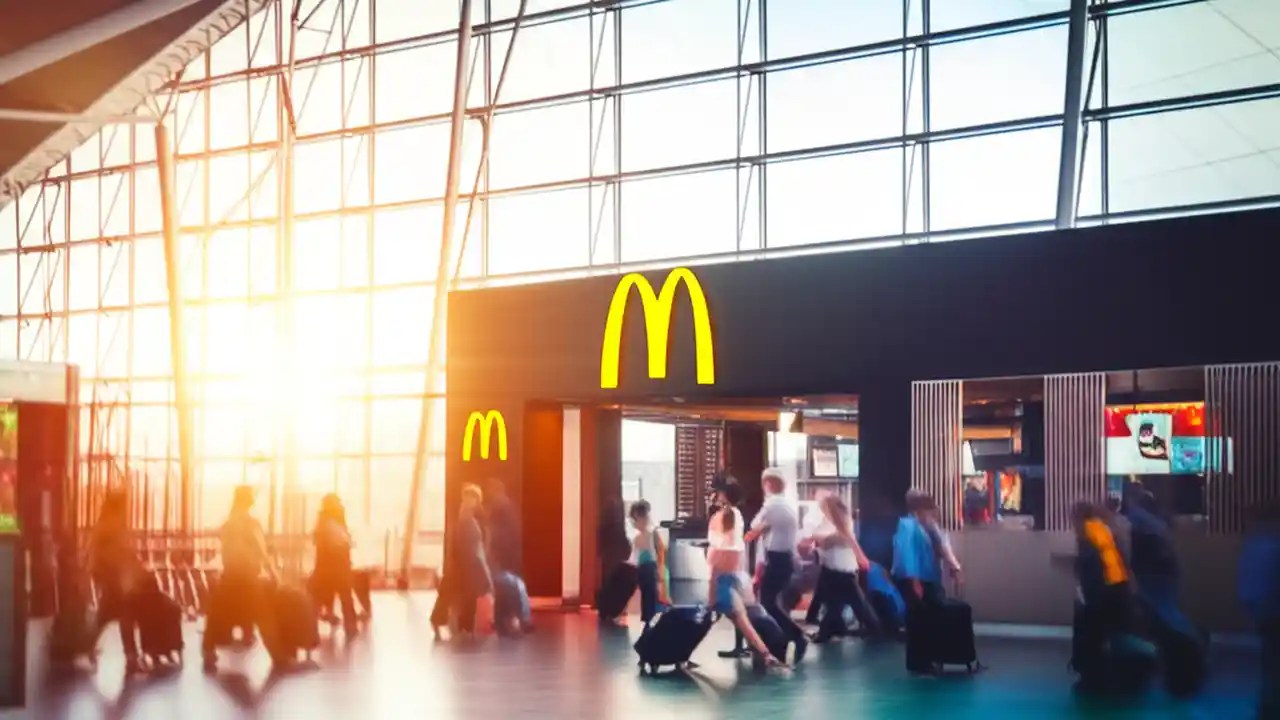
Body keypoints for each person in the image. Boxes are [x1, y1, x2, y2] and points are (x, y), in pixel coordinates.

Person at [204, 485, 282, 672]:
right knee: (263, 614)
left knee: (216, 613)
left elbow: (222, 544)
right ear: (249, 500)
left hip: (230, 573)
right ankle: (280, 658)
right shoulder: (251, 523)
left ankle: (208, 651)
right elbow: (261, 550)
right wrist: (273, 572)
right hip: (247, 574)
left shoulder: (229, 522)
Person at [707, 505, 785, 671]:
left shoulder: (719, 548)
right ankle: (763, 653)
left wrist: (711, 597)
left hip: (724, 587)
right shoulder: (738, 545)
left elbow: (714, 574)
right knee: (746, 621)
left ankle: (765, 654)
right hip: (738, 581)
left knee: (743, 622)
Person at [743, 469, 808, 664]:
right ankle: (779, 643)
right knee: (772, 603)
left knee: (768, 604)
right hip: (786, 559)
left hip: (776, 559)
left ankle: (794, 637)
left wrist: (762, 527)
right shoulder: (789, 504)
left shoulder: (771, 505)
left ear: (769, 485)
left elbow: (754, 526)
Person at [87, 490, 144, 673]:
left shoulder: (104, 524)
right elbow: (120, 550)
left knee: (108, 614)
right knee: (124, 615)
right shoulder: (114, 525)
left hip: (108, 574)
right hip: (114, 575)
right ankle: (131, 656)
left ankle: (92, 646)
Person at [892, 490, 946, 674]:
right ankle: (918, 662)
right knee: (917, 621)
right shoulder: (907, 525)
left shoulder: (923, 526)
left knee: (924, 619)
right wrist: (914, 580)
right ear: (919, 509)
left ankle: (926, 659)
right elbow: (907, 554)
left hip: (925, 578)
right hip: (914, 580)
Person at [808, 494, 873, 643]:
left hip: (841, 570)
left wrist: (861, 557)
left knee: (843, 604)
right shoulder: (834, 523)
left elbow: (847, 540)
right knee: (839, 604)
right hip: (838, 569)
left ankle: (826, 633)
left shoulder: (841, 525)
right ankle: (829, 631)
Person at [1239, 501, 1280, 719]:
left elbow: (1248, 582)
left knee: (1270, 663)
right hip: (1273, 610)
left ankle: (1268, 706)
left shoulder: (1254, 545)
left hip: (1263, 612)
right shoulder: (1273, 546)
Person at [486, 479, 530, 634]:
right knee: (512, 587)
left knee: (506, 589)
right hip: (509, 555)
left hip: (502, 556)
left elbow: (497, 534)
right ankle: (517, 620)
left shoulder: (499, 508)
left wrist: (493, 553)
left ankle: (510, 621)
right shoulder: (509, 507)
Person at [311, 493, 358, 637]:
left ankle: (312, 627)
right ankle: (350, 627)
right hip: (339, 568)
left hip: (323, 569)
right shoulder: (335, 525)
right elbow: (345, 543)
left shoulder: (321, 524)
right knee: (346, 597)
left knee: (318, 598)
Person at [454, 484, 493, 636]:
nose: (469, 500)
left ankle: (469, 624)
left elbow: (483, 534)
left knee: (473, 592)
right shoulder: (465, 515)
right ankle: (467, 624)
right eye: (467, 497)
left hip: (476, 557)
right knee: (469, 592)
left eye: (472, 497)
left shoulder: (476, 515)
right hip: (469, 558)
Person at [627, 500, 669, 625]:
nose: (636, 523)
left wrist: (660, 570)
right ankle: (648, 618)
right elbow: (634, 556)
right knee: (647, 595)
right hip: (643, 569)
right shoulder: (637, 538)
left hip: (650, 568)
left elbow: (660, 552)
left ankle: (650, 618)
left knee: (651, 594)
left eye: (637, 519)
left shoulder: (652, 534)